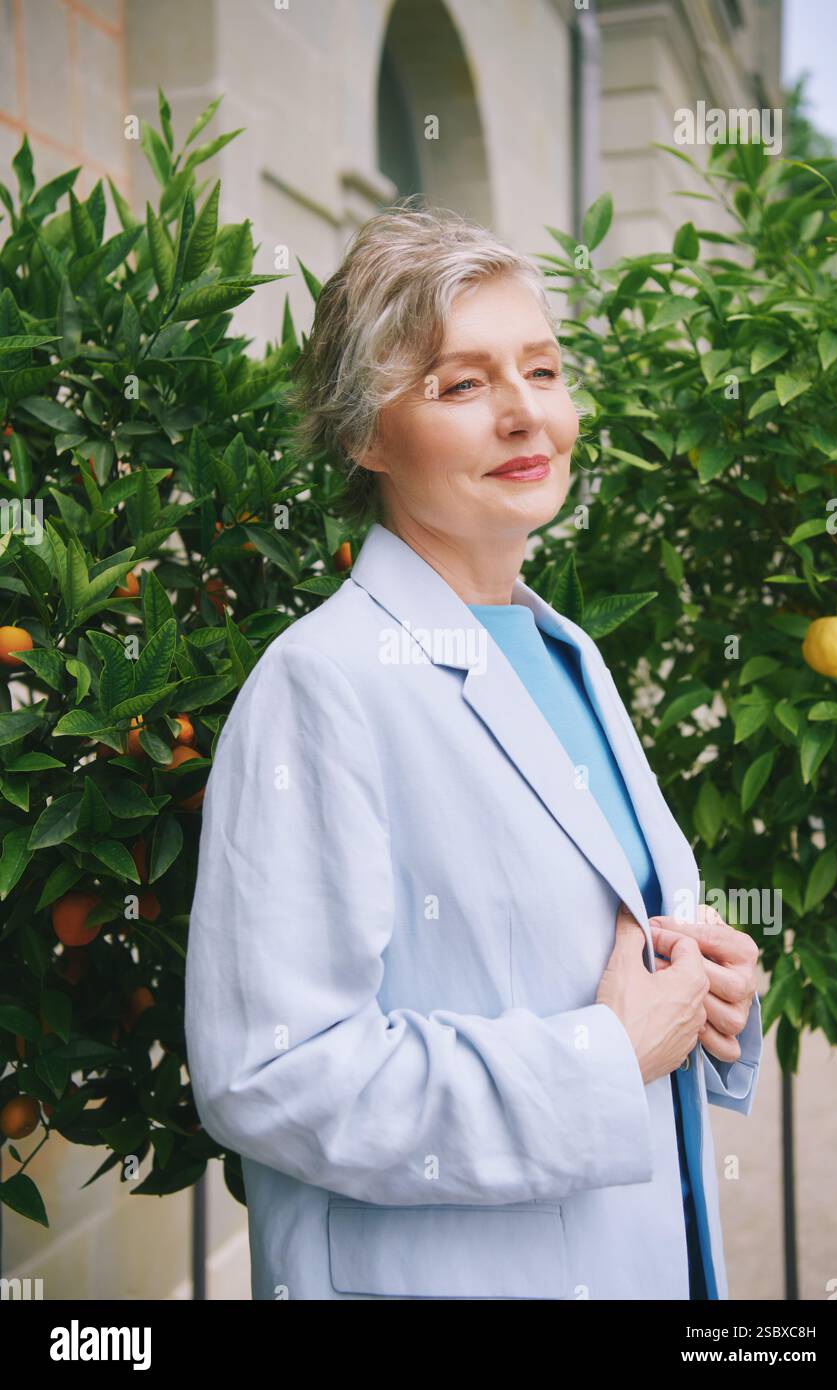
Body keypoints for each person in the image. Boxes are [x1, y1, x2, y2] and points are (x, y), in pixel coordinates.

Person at [184, 198, 762, 1301]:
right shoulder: (323, 683)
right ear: (363, 434)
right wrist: (600, 1057)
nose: (522, 415)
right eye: (460, 383)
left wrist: (706, 991)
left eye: (541, 372)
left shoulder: (565, 651)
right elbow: (269, 1075)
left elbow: (598, 961)